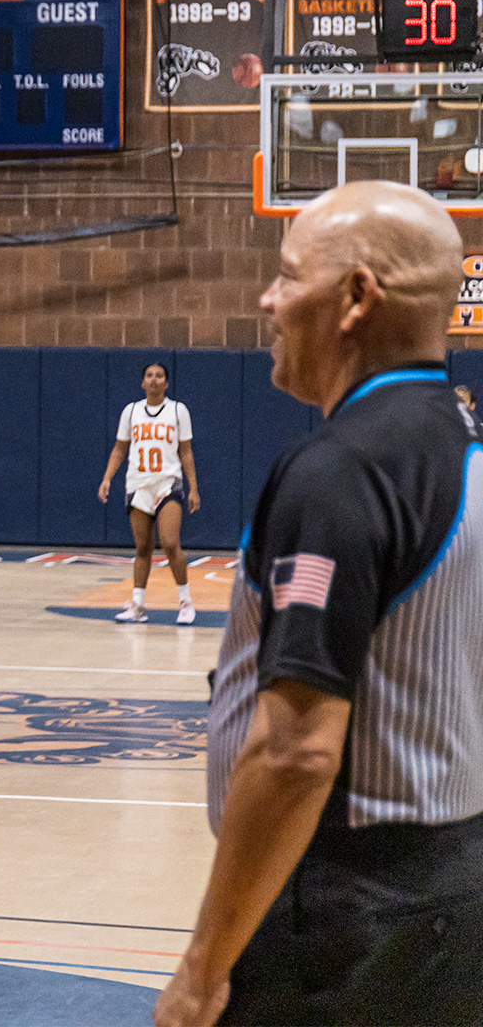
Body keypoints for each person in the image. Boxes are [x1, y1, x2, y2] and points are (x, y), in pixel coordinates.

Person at [156, 181, 483, 1026]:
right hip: (450, 901)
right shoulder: (463, 447)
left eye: (288, 275)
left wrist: (202, 970)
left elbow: (298, 751)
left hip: (343, 929)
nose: (268, 300)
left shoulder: (340, 472)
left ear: (356, 297)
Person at [97, 363, 202, 625]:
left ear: (166, 383)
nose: (154, 380)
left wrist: (193, 487)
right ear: (142, 382)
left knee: (170, 543)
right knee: (142, 547)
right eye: (149, 375)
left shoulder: (178, 410)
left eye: (159, 376)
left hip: (168, 482)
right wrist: (107, 478)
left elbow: (186, 451)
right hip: (138, 484)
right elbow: (120, 449)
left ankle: (186, 602)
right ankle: (138, 606)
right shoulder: (131, 411)